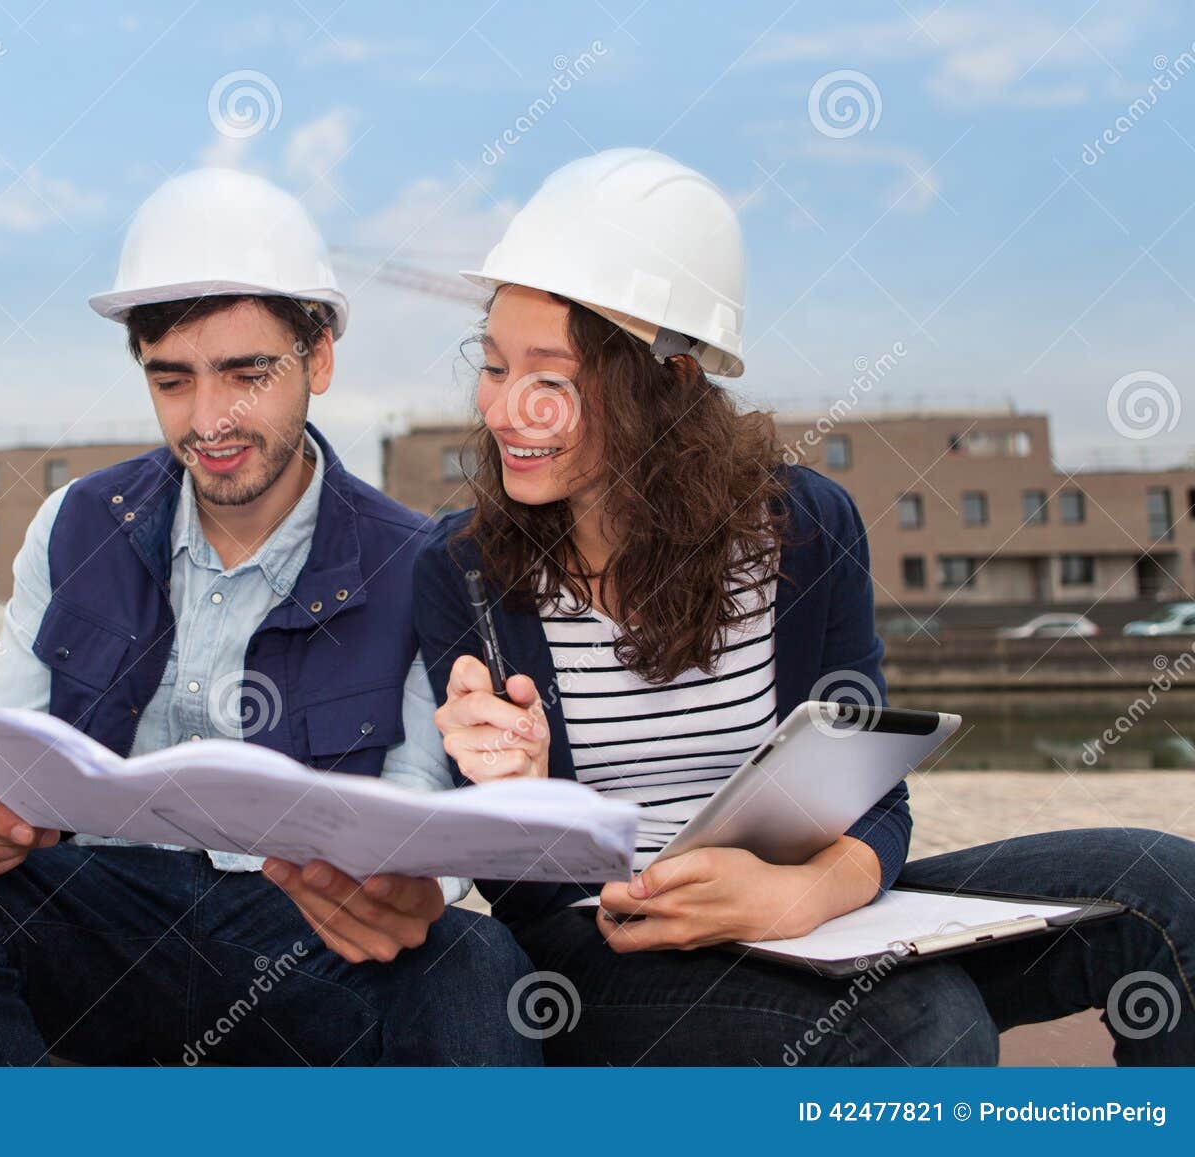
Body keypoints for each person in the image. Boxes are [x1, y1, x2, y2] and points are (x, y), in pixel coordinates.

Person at [415, 148, 1195, 1066]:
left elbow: (875, 794)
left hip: (811, 915)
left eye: (548, 376)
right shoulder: (461, 569)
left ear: (669, 385)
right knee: (921, 1025)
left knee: (1166, 892)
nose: (506, 409)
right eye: (495, 365)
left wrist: (805, 892)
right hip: (607, 949)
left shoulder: (803, 528)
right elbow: (522, 899)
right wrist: (524, 801)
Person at [0, 168, 539, 1066]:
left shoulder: (421, 560)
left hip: (308, 946)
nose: (209, 421)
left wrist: (406, 880)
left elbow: (420, 795)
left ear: (318, 358)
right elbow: (0, 725)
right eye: (173, 380)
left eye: (246, 374)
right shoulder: (75, 524)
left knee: (480, 967)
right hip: (106, 917)